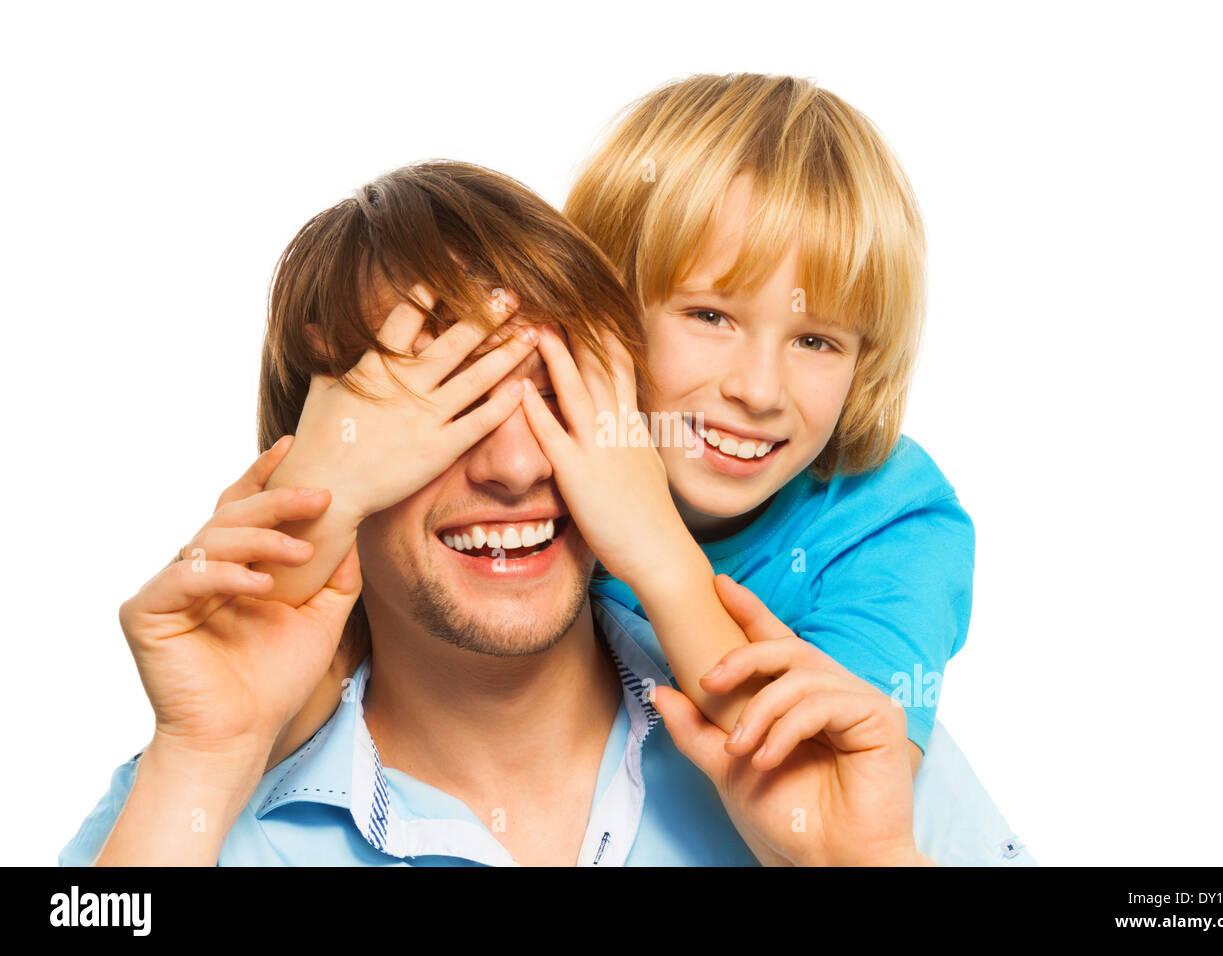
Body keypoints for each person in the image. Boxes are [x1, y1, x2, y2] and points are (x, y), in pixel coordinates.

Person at [60, 161, 1031, 865]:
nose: (519, 463)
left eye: (560, 399)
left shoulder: (830, 737)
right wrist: (204, 761)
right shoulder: (185, 803)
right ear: (309, 462)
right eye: (443, 408)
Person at [274, 73, 975, 778]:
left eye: (816, 341)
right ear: (598, 307)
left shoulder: (898, 525)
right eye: (709, 317)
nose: (759, 391)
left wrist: (653, 548)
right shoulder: (531, 473)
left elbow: (830, 781)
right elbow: (300, 717)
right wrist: (321, 489)